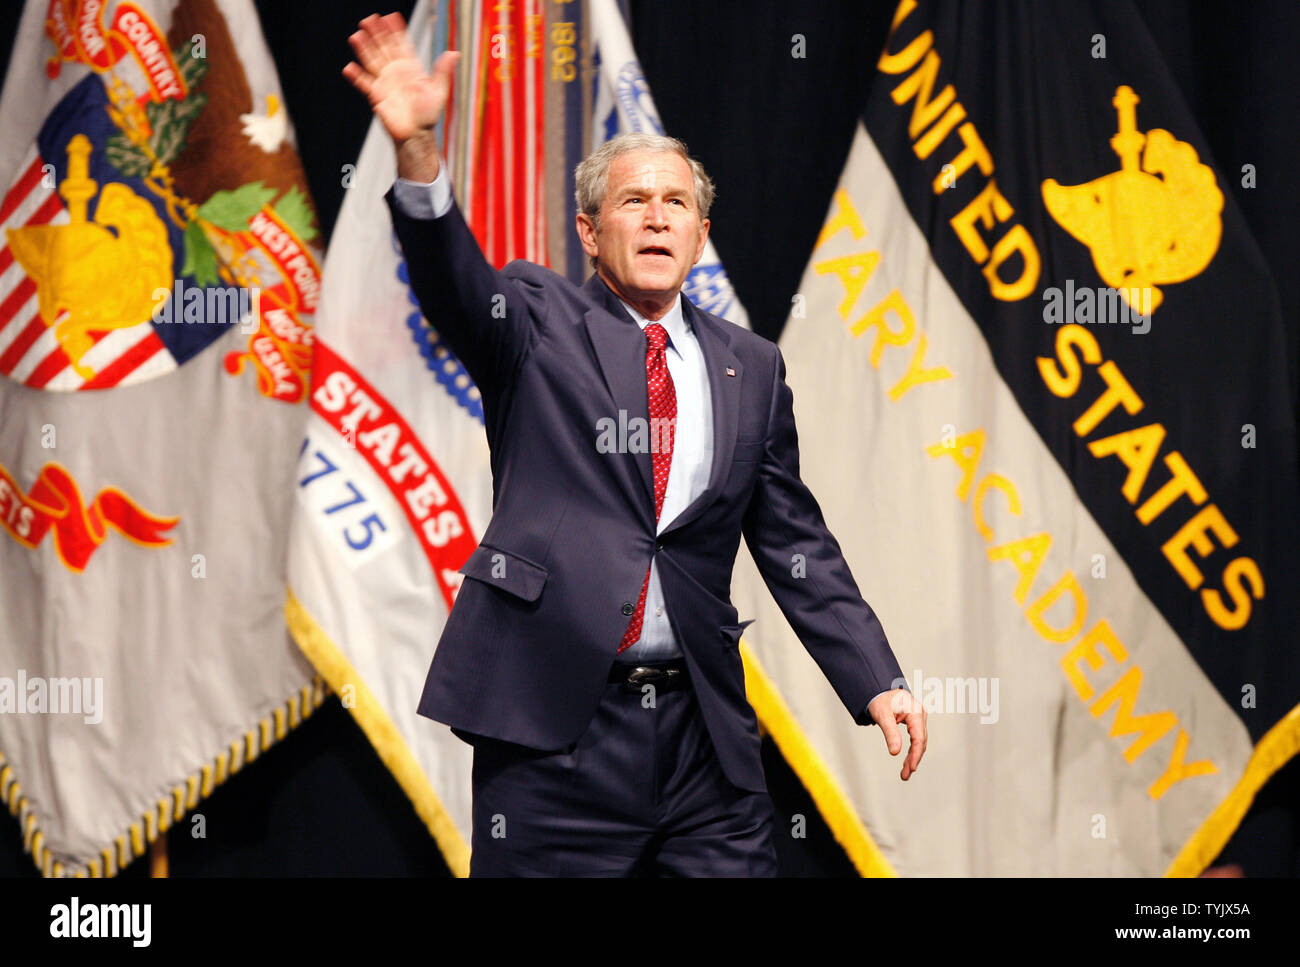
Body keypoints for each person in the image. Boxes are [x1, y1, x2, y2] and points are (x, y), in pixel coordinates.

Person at [343, 11, 927, 876]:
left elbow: (795, 542)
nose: (657, 218)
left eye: (677, 204)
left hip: (703, 740)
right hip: (553, 735)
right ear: (589, 231)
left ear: (698, 235)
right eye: (633, 201)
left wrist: (874, 674)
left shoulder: (751, 367)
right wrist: (420, 153)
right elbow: (452, 283)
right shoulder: (536, 321)